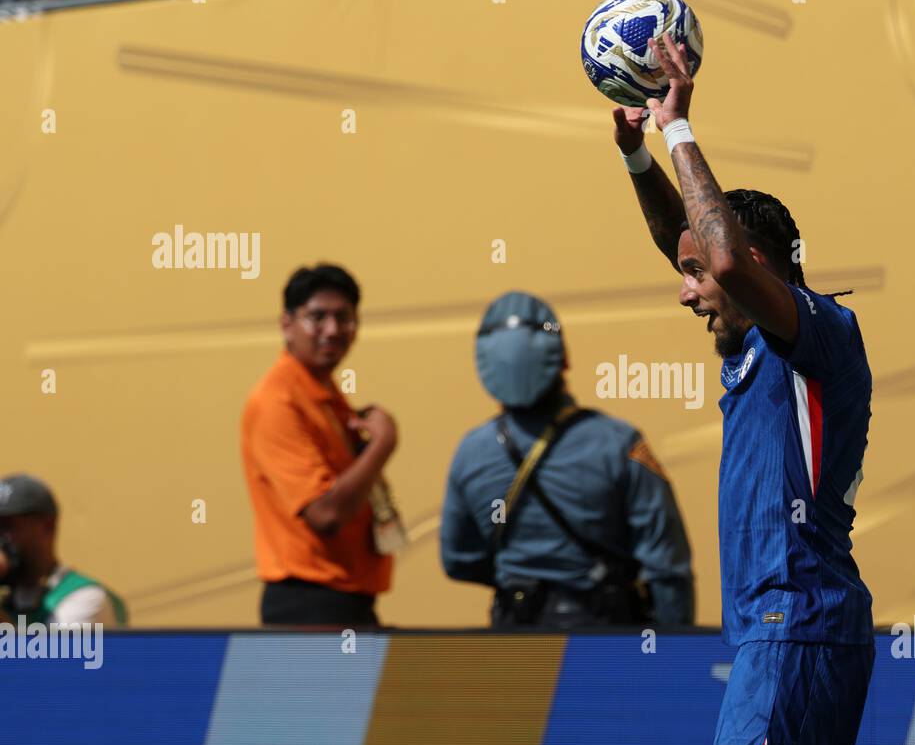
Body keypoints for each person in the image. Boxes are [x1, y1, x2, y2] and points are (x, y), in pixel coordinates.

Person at [612, 36, 875, 745]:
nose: (685, 291)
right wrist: (635, 156)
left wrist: (679, 128)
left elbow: (721, 264)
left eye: (693, 275)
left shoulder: (822, 334)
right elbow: (692, 244)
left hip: (793, 629)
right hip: (803, 633)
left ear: (756, 260)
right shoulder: (763, 338)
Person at [440, 291, 694, 629]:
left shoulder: (470, 452)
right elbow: (667, 567)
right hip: (604, 642)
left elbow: (458, 559)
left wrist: (522, 576)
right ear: (564, 359)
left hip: (512, 642)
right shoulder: (621, 443)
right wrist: (673, 658)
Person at [240, 264, 404, 627]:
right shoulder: (278, 401)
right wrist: (382, 446)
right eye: (317, 317)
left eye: (344, 318)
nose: (332, 330)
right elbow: (324, 514)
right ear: (287, 324)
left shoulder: (324, 394)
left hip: (344, 597)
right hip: (308, 601)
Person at [0, 474, 127, 625]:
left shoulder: (86, 597)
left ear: (48, 525)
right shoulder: (8, 602)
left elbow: (44, 649)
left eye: (7, 526)